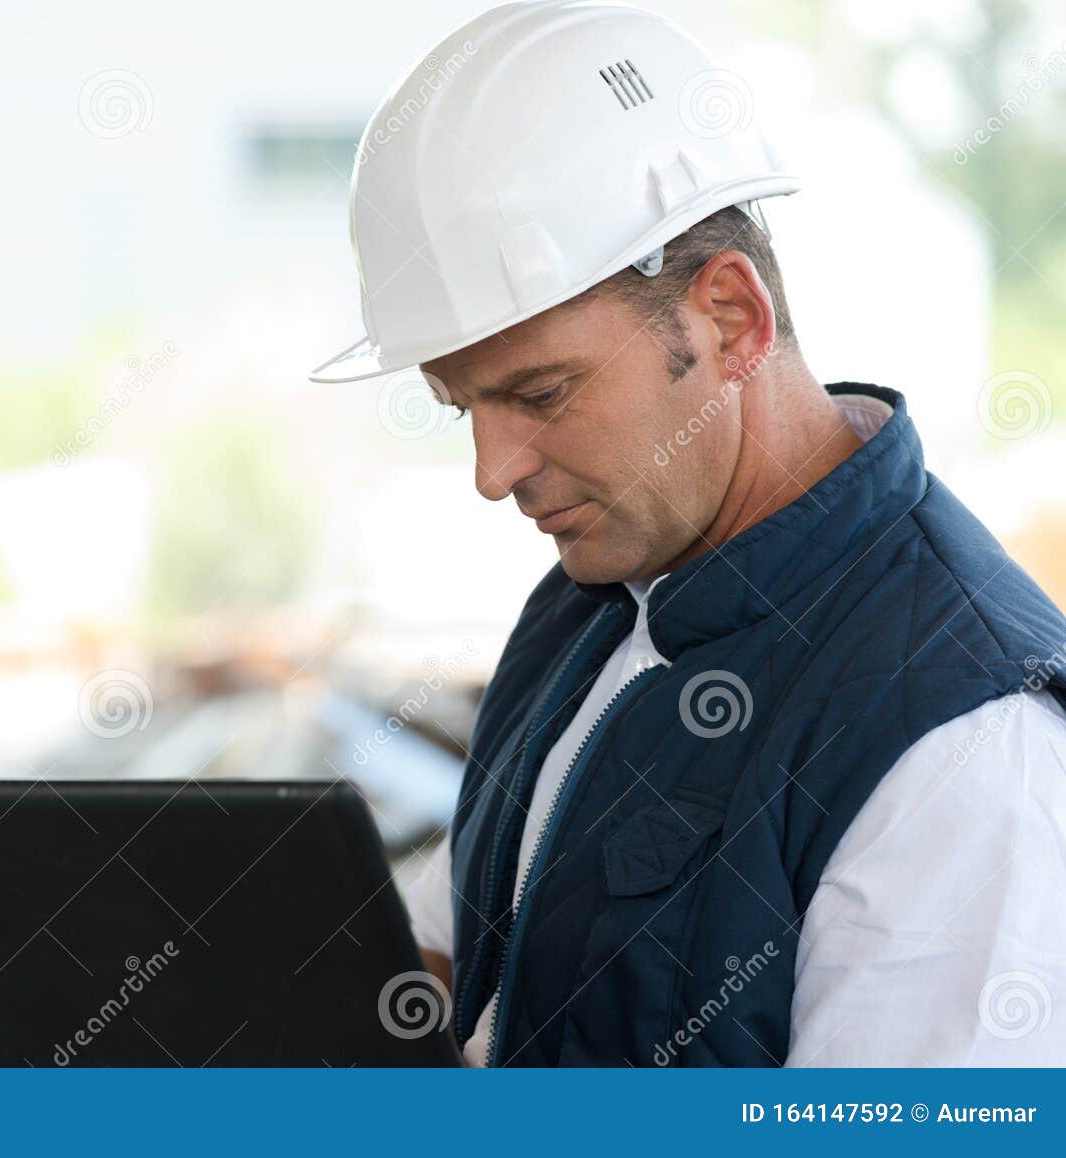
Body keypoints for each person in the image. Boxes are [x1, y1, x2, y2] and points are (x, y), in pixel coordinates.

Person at [311, 1, 1066, 1066]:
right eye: (460, 408)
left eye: (540, 392)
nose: (493, 473)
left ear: (730, 319)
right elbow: (446, 965)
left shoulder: (962, 748)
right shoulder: (589, 606)